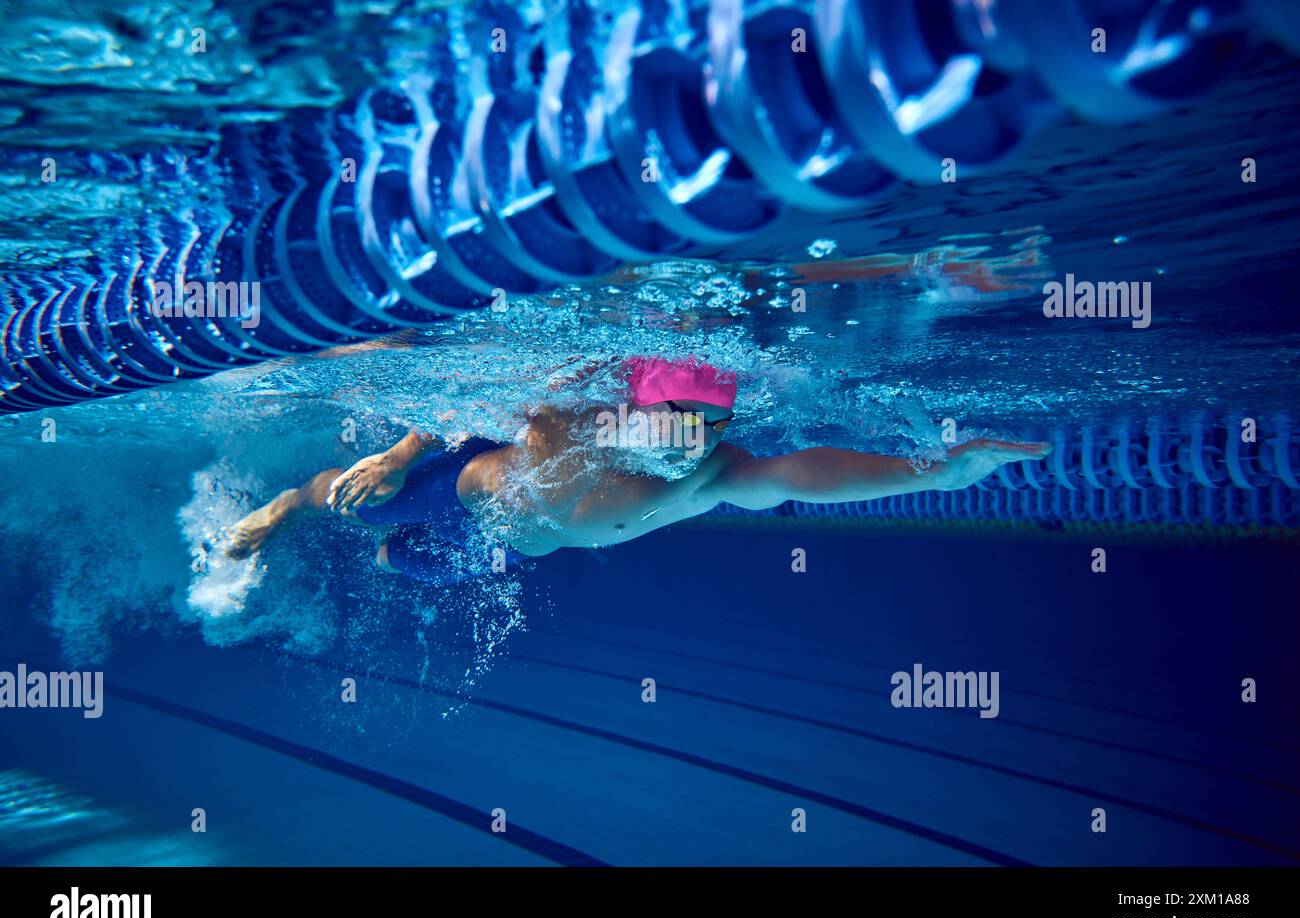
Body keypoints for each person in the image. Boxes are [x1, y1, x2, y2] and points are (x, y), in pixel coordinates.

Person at [221, 356, 1049, 583]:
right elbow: (463, 398)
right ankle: (287, 501)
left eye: (712, 423)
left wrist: (933, 474)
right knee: (359, 505)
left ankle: (399, 557)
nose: (694, 440)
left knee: (402, 563)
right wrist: (403, 454)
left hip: (508, 550)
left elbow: (802, 474)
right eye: (678, 422)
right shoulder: (579, 421)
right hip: (459, 486)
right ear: (638, 413)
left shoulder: (710, 471)